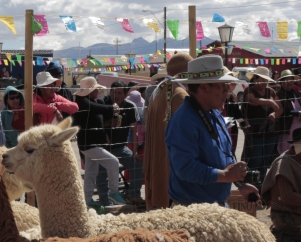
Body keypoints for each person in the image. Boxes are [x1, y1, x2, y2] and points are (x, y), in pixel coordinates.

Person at [166, 55, 259, 206]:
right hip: (191, 209)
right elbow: (185, 168)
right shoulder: (183, 121)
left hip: (216, 204)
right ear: (204, 88)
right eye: (222, 85)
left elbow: (225, 158)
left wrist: (239, 183)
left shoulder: (215, 114)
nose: (227, 90)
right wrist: (225, 175)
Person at [143, 53, 193, 210]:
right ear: (186, 72)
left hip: (158, 155)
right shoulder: (179, 94)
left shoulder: (159, 89)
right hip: (170, 162)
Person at [261, 126, 301, 242]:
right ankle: (277, 237)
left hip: (298, 214)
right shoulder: (284, 164)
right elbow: (287, 197)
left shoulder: (298, 162)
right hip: (285, 216)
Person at [71, 77, 126, 207]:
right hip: (89, 144)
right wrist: (112, 108)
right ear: (91, 90)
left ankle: (87, 200)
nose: (97, 92)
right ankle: (114, 192)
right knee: (113, 162)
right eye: (95, 89)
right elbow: (96, 108)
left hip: (90, 144)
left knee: (91, 173)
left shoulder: (87, 101)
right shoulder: (83, 102)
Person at [96, 81, 143, 205]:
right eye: (113, 92)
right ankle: (105, 201)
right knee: (102, 174)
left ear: (126, 94)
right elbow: (93, 124)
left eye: (119, 93)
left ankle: (133, 195)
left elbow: (134, 131)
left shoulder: (130, 106)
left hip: (120, 147)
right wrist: (107, 124)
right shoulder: (102, 103)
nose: (115, 95)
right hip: (103, 148)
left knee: (137, 164)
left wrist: (135, 152)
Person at [241, 67, 282, 179]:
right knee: (256, 158)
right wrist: (270, 102)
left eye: (266, 79)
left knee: (265, 159)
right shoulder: (249, 90)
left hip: (271, 131)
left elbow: (279, 108)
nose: (265, 82)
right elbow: (252, 101)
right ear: (255, 79)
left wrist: (274, 114)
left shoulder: (271, 91)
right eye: (262, 79)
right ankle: (251, 181)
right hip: (255, 131)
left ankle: (261, 183)